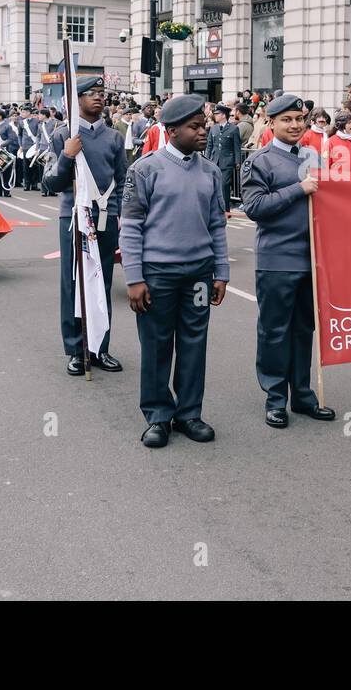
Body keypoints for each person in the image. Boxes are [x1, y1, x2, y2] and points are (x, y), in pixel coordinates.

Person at [120, 95, 228, 449]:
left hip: (197, 274)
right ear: (171, 130)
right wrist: (134, 279)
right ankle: (157, 416)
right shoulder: (144, 169)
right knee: (156, 345)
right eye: (195, 127)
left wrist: (221, 272)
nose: (202, 133)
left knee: (194, 344)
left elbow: (216, 225)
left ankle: (189, 413)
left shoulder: (210, 171)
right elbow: (131, 226)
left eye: (204, 126)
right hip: (157, 274)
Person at [239, 94, 337, 429]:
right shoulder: (259, 161)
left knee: (304, 329)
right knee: (274, 331)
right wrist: (299, 188)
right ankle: (275, 399)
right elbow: (254, 208)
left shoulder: (313, 156)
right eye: (287, 120)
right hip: (277, 259)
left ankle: (304, 395)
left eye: (300, 119)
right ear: (271, 121)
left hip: (310, 258)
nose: (295, 125)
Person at [43, 76, 127, 377]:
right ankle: (76, 349)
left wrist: (119, 215)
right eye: (91, 93)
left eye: (102, 93)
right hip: (74, 216)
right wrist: (67, 155)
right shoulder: (63, 134)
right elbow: (50, 181)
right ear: (76, 99)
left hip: (105, 216)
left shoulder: (114, 138)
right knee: (74, 283)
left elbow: (121, 181)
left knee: (101, 283)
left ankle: (99, 347)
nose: (99, 98)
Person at [205, 102, 243, 209]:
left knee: (224, 185)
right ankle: (214, 206)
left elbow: (237, 147)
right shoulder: (214, 128)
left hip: (227, 161)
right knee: (213, 184)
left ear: (223, 115)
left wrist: (237, 161)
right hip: (214, 161)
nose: (215, 116)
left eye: (217, 114)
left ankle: (225, 208)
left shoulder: (233, 128)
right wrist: (207, 159)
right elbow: (209, 146)